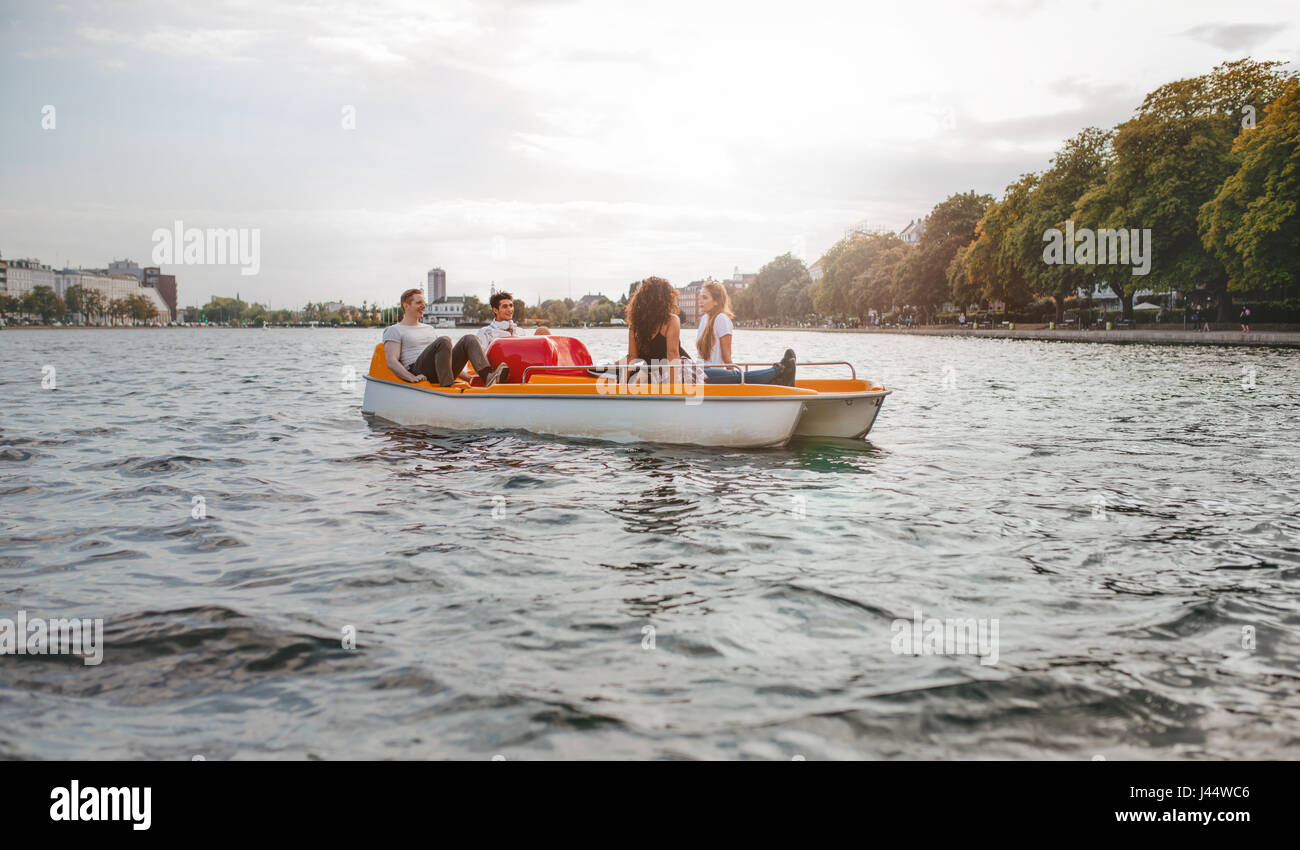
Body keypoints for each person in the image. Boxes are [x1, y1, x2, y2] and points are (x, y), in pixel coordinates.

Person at [382, 288, 509, 388]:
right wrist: (411, 377)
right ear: (406, 306)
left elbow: (443, 359)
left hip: (439, 372)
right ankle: (447, 385)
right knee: (444, 340)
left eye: (424, 303)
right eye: (419, 303)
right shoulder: (394, 330)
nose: (423, 306)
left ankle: (488, 377)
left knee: (469, 339)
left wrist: (469, 379)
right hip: (418, 370)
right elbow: (392, 361)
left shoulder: (429, 329)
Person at [693, 280, 795, 385]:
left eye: (705, 298)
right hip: (702, 373)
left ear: (716, 301)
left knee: (738, 376)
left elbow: (726, 357)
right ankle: (780, 370)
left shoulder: (721, 319)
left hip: (712, 374)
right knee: (738, 376)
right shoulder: (704, 319)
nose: (700, 301)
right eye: (700, 297)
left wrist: (731, 380)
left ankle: (779, 371)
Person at [475, 291, 550, 350]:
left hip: (522, 365)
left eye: (511, 306)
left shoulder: (520, 331)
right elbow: (480, 359)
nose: (510, 310)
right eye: (505, 306)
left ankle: (553, 367)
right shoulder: (485, 332)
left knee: (543, 330)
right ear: (495, 310)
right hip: (499, 366)